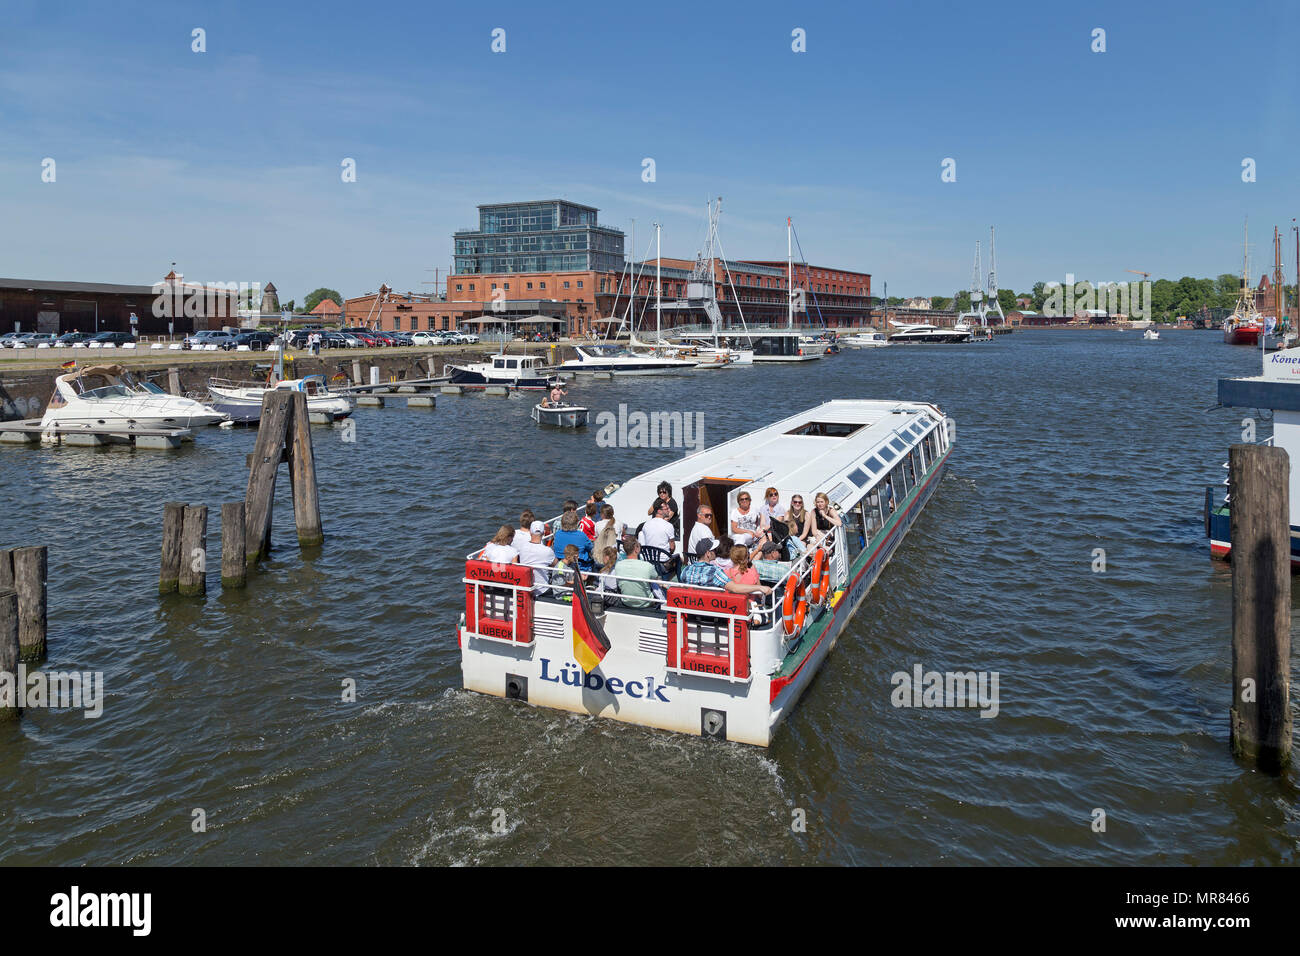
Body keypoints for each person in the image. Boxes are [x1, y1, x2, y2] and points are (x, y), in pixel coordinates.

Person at [680, 539, 773, 599]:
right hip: (712, 614)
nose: (716, 552)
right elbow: (735, 588)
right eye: (714, 550)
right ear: (708, 553)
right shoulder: (715, 572)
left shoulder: (685, 570)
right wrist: (760, 587)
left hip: (691, 612)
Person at [615, 537, 660, 609]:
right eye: (639, 545)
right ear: (636, 549)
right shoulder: (647, 566)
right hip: (645, 603)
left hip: (626, 602)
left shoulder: (618, 566)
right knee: (656, 583)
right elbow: (656, 578)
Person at [516, 520, 557, 594]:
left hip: (526, 587)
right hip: (542, 590)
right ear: (544, 533)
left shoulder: (522, 548)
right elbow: (556, 564)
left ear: (530, 533)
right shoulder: (547, 551)